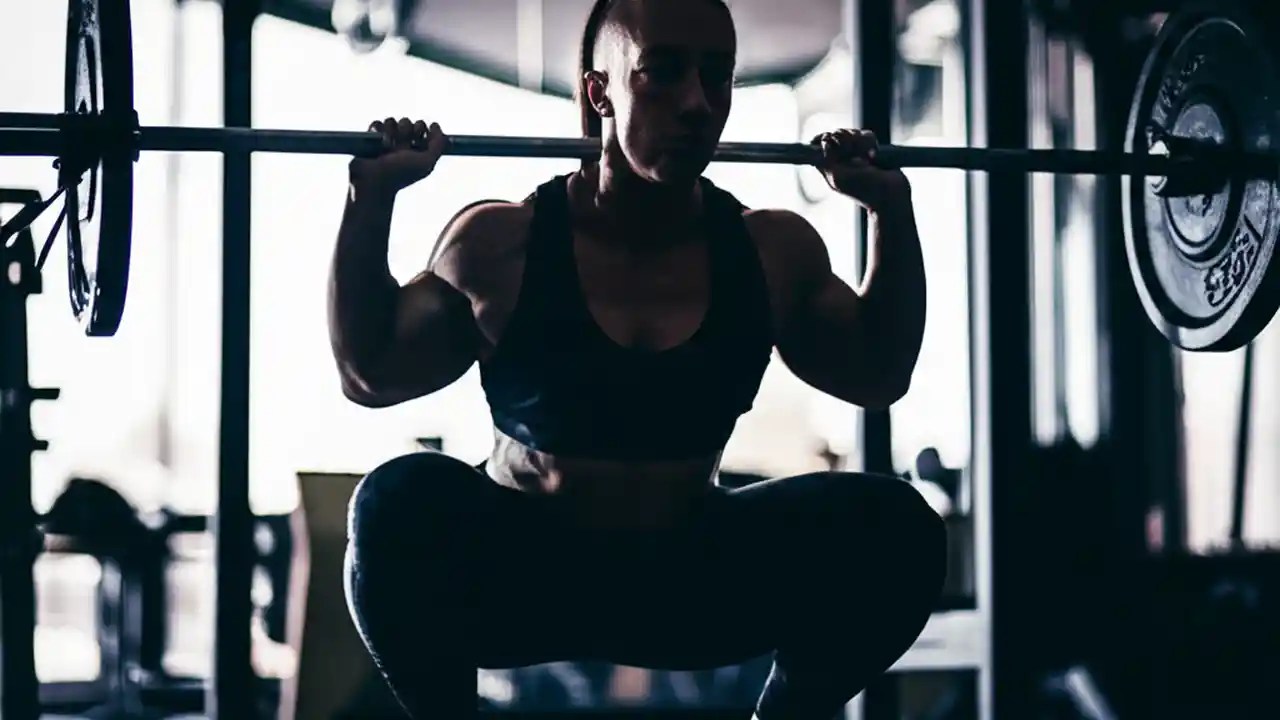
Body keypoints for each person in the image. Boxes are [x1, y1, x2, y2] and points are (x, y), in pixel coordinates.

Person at [327, 0, 945, 717]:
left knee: (899, 531)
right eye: (664, 73)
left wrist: (890, 214)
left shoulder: (770, 251)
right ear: (600, 92)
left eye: (718, 78)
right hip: (523, 582)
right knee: (394, 505)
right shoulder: (501, 244)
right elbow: (369, 373)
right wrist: (369, 202)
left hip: (684, 581)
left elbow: (877, 373)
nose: (697, 103)